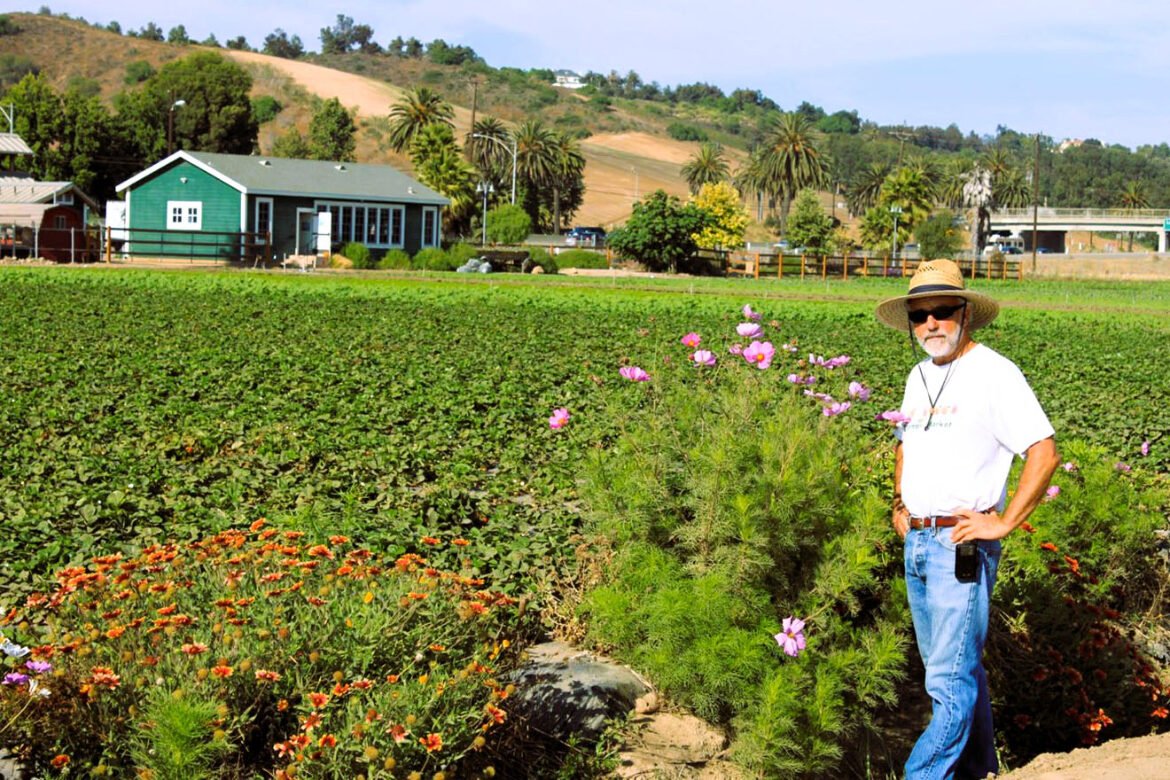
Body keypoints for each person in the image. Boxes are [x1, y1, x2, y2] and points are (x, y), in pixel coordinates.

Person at [874, 259, 1060, 780]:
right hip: (918, 541)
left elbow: (1043, 452)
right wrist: (898, 504)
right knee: (957, 669)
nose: (931, 323)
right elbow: (904, 442)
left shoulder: (995, 374)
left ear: (966, 313)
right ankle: (979, 770)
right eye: (920, 315)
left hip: (960, 545)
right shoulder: (918, 376)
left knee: (948, 678)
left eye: (942, 311)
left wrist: (1003, 524)